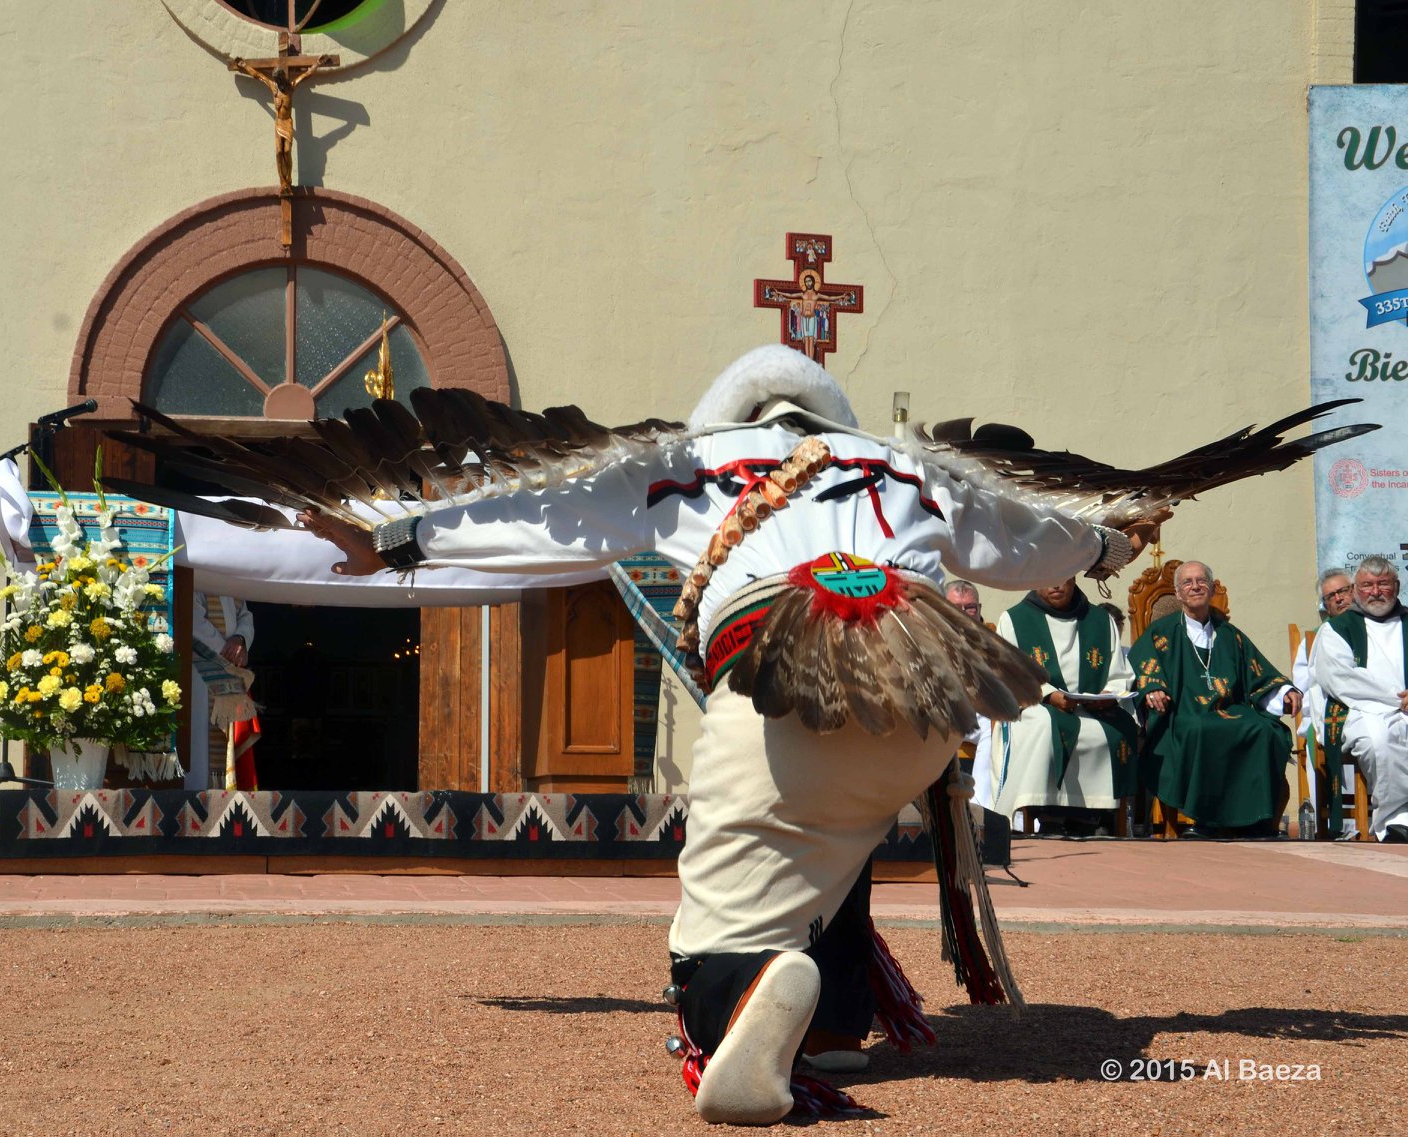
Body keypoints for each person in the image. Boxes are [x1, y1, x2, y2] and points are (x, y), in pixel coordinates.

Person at [302, 346, 1154, 1123]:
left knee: (718, 932)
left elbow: (549, 517)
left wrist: (396, 538)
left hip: (787, 681)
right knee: (837, 842)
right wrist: (1109, 544)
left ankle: (747, 995)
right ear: (829, 415)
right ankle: (830, 1024)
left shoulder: (689, 463)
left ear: (727, 415)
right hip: (929, 676)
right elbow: (1023, 546)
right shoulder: (904, 466)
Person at [1129, 560, 1299, 838]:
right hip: (1182, 713)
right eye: (1188, 582)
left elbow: (1260, 672)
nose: (1195, 586)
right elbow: (1141, 664)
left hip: (1229, 709)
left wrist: (1285, 691)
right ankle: (1204, 820)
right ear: (1178, 593)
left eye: (1201, 581)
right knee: (1201, 730)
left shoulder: (1230, 634)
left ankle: (1256, 821)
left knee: (1265, 730)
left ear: (1211, 588)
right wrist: (1152, 687)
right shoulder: (1162, 633)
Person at [990, 577, 1136, 837]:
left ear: (1074, 579)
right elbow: (1009, 673)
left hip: (1090, 708)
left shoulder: (1100, 620)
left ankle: (1091, 817)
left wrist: (1108, 694)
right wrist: (1049, 695)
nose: (1056, 585)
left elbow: (1119, 674)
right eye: (1049, 578)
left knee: (1115, 728)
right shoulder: (1014, 619)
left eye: (1063, 578)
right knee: (1045, 725)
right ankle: (1048, 815)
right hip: (1034, 703)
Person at [1312, 555, 1408, 843]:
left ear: (1398, 586)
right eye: (1367, 585)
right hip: (1358, 708)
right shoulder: (1337, 629)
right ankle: (1395, 820)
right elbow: (1340, 679)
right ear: (1355, 590)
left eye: (1383, 584)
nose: (1375, 591)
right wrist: (1397, 700)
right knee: (1378, 740)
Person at [1295, 567, 1354, 835]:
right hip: (1329, 714)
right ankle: (1339, 823)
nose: (1339, 599)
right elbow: (1303, 689)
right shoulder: (1316, 637)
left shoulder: (1378, 629)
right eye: (1331, 596)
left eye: (1343, 591)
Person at [187, 590, 256, 790]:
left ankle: (222, 797)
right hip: (201, 670)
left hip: (229, 671)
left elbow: (246, 615)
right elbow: (193, 619)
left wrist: (241, 639)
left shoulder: (230, 580)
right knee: (200, 746)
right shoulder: (199, 575)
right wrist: (227, 651)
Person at [944, 580, 997, 810]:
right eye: (955, 608)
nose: (963, 614)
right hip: (943, 710)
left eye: (970, 608)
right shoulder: (927, 635)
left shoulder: (995, 639)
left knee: (994, 726)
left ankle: (981, 806)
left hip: (979, 715)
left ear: (979, 609)